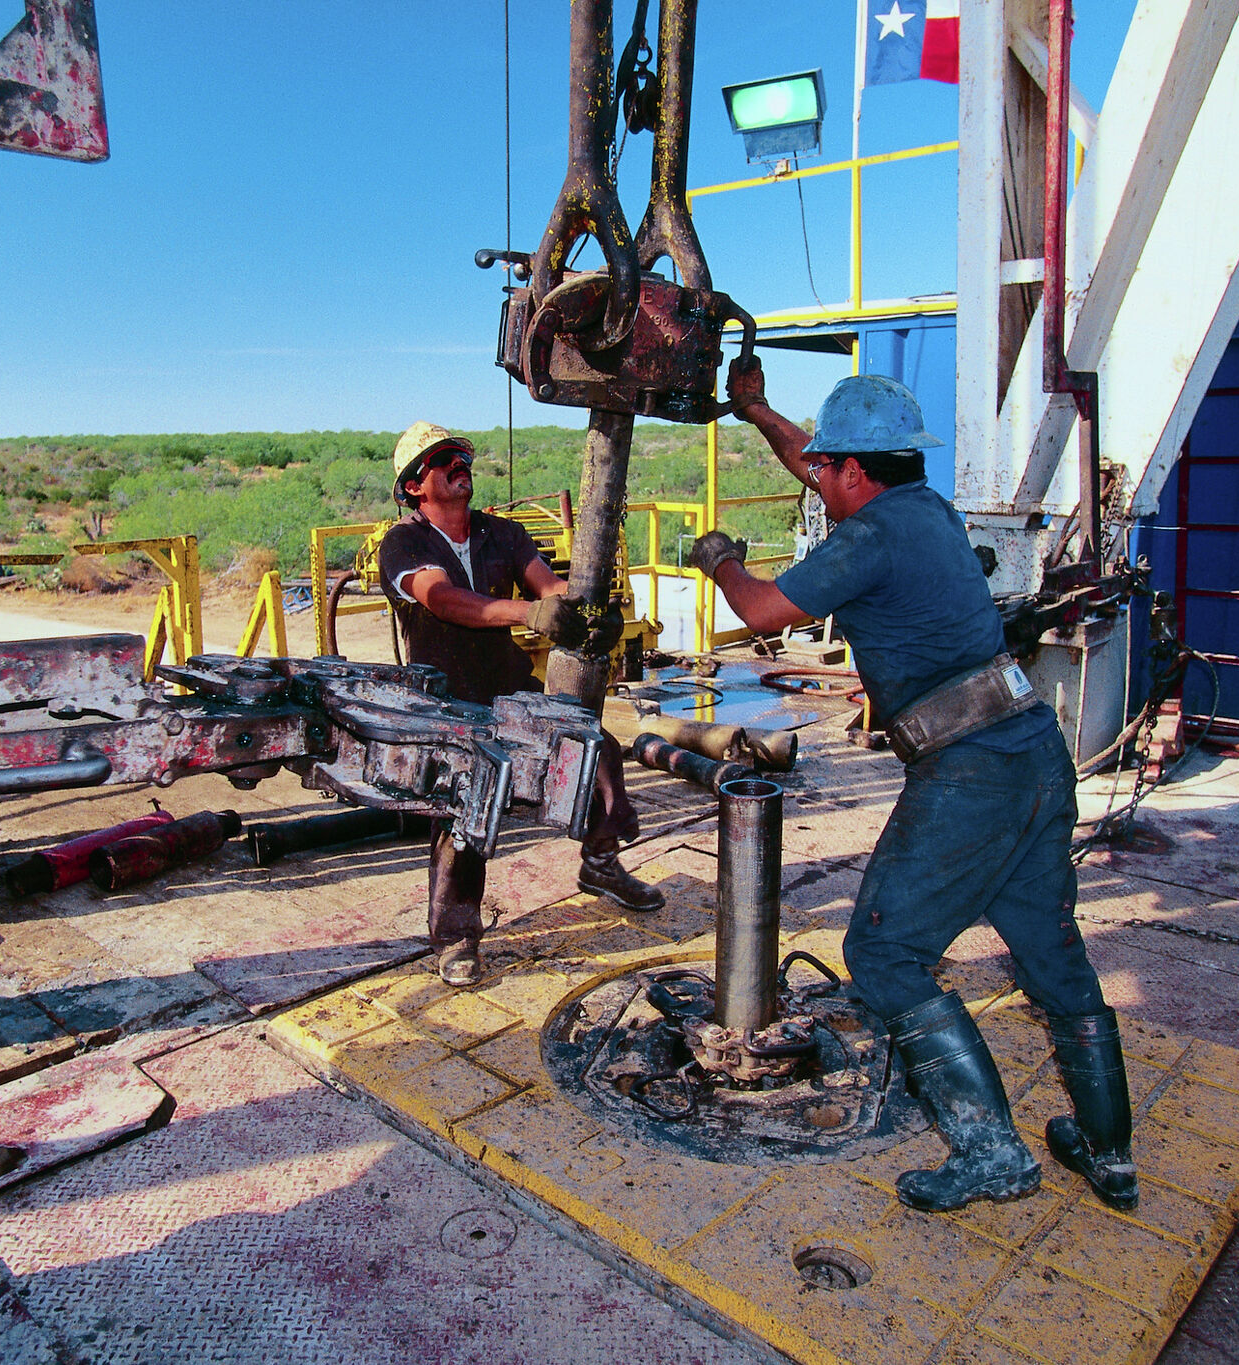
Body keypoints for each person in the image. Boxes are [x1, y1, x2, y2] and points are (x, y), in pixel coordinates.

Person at [686, 364, 1136, 1215]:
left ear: (857, 472)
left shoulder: (866, 541)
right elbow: (813, 463)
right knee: (1052, 953)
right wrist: (754, 411)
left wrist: (720, 561)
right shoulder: (922, 508)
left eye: (829, 466)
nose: (816, 474)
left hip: (972, 775)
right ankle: (1109, 1154)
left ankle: (991, 1152)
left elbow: (761, 611)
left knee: (885, 955)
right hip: (1034, 752)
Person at [377, 422, 663, 987]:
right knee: (465, 805)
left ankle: (601, 862)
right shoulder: (404, 544)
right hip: (445, 697)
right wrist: (525, 615)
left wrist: (583, 611)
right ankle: (457, 937)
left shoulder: (500, 533)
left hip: (506, 684)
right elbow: (444, 599)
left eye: (462, 456)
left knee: (594, 747)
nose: (460, 465)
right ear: (415, 486)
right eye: (442, 461)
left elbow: (546, 585)